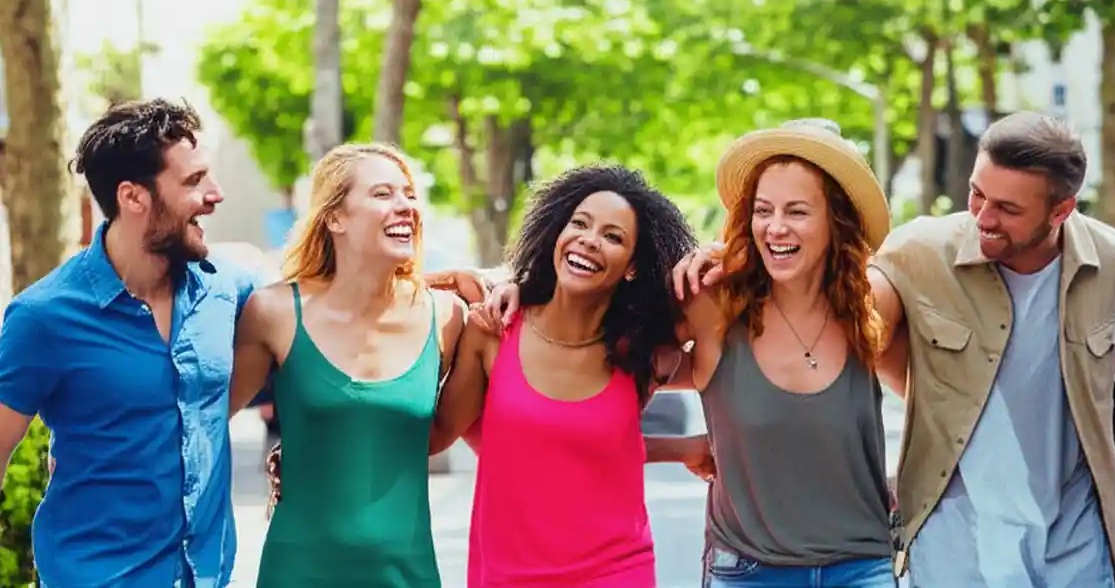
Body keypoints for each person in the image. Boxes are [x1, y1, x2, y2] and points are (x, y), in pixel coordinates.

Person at [675, 112, 1115, 586]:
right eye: (976, 194)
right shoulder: (920, 250)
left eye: (1007, 208)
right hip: (957, 544)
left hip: (1074, 548)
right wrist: (733, 254)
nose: (982, 217)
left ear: (1061, 210)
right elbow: (832, 302)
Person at [0, 99, 257, 588]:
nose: (216, 194)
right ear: (133, 197)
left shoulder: (227, 287)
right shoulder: (44, 317)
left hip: (207, 578)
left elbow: (319, 307)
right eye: (193, 181)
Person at [433, 164, 709, 587]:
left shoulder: (642, 352)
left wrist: (718, 255)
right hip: (507, 575)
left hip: (616, 570)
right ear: (556, 234)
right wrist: (450, 279)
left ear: (633, 266)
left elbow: (733, 336)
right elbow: (434, 438)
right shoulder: (493, 331)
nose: (589, 240)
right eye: (579, 223)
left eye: (613, 237)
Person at [228, 143, 467, 588]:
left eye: (409, 194)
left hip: (408, 575)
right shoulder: (275, 313)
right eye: (383, 194)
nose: (405, 207)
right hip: (297, 573)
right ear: (334, 217)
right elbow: (204, 422)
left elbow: (435, 437)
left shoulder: (448, 318)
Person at [685, 119, 897, 587]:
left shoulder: (873, 307)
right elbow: (599, 334)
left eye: (797, 211)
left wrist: (919, 483)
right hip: (747, 572)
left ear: (834, 222)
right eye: (763, 210)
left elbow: (951, 379)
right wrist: (493, 287)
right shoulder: (713, 306)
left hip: (862, 567)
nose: (775, 227)